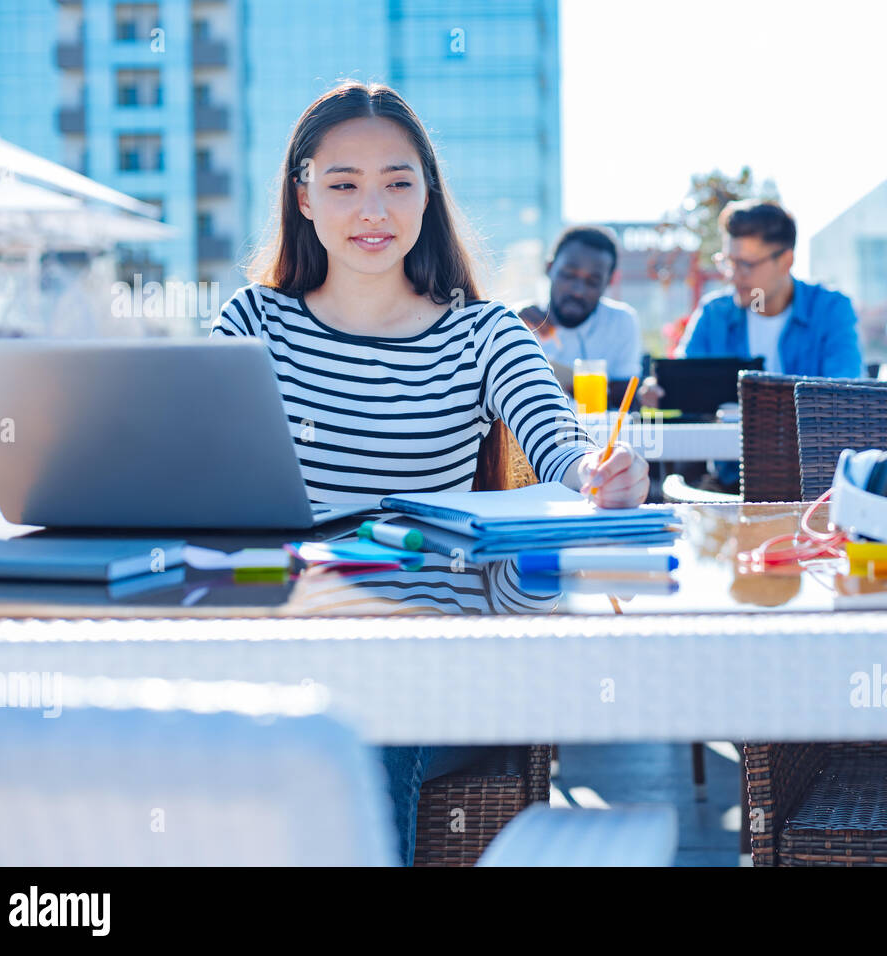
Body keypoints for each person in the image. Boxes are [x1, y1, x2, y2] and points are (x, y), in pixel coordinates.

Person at [209, 80, 649, 865]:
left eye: (397, 183)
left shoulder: (484, 333)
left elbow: (561, 444)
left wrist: (601, 472)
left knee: (345, 731)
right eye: (342, 185)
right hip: (277, 630)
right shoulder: (252, 322)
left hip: (426, 650)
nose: (372, 210)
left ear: (428, 196)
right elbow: (194, 461)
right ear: (303, 197)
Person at [671, 199, 862, 491]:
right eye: (729, 262)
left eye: (747, 264)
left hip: (815, 484)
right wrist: (664, 392)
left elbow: (844, 398)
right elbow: (683, 387)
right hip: (731, 481)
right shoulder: (714, 314)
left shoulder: (831, 310)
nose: (735, 276)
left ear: (786, 260)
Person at [517, 225, 661, 407]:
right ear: (549, 268)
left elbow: (625, 396)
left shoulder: (621, 321)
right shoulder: (519, 322)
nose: (578, 291)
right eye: (569, 275)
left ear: (609, 281)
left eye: (592, 281)